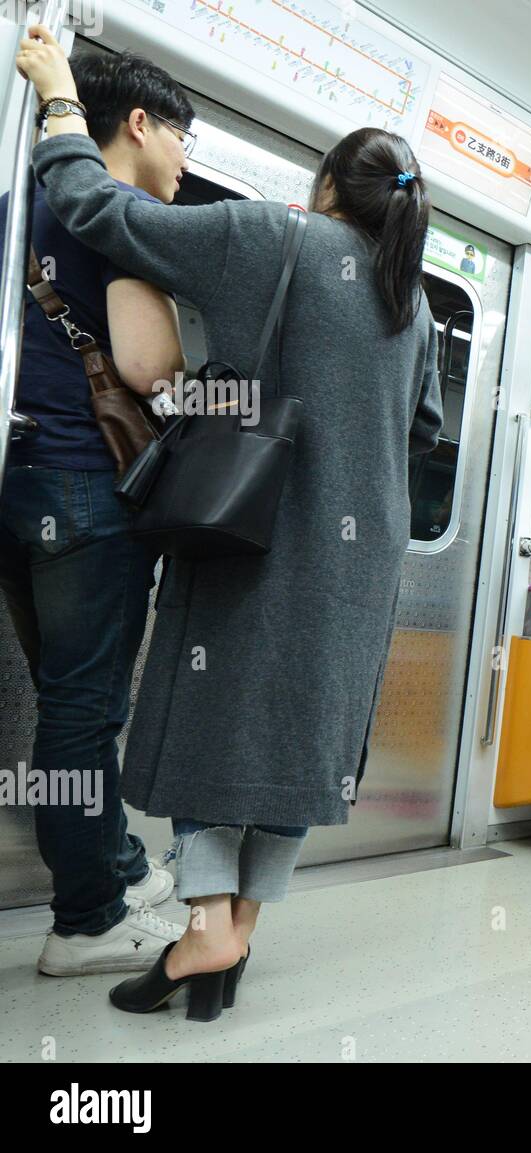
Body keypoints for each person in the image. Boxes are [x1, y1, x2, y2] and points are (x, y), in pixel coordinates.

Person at [18, 27, 444, 1019]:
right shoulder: (410, 301)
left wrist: (57, 100)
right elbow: (419, 427)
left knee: (216, 717)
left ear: (328, 188)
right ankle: (240, 931)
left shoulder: (273, 237)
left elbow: (95, 208)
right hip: (365, 555)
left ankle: (206, 921)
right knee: (309, 735)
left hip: (260, 535)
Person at [0, 49, 193, 977]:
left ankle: (113, 863)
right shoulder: (125, 216)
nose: (188, 157)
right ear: (140, 125)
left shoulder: (20, 208)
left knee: (66, 699)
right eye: (183, 133)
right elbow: (150, 367)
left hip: (19, 475)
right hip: (87, 482)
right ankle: (84, 921)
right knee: (84, 713)